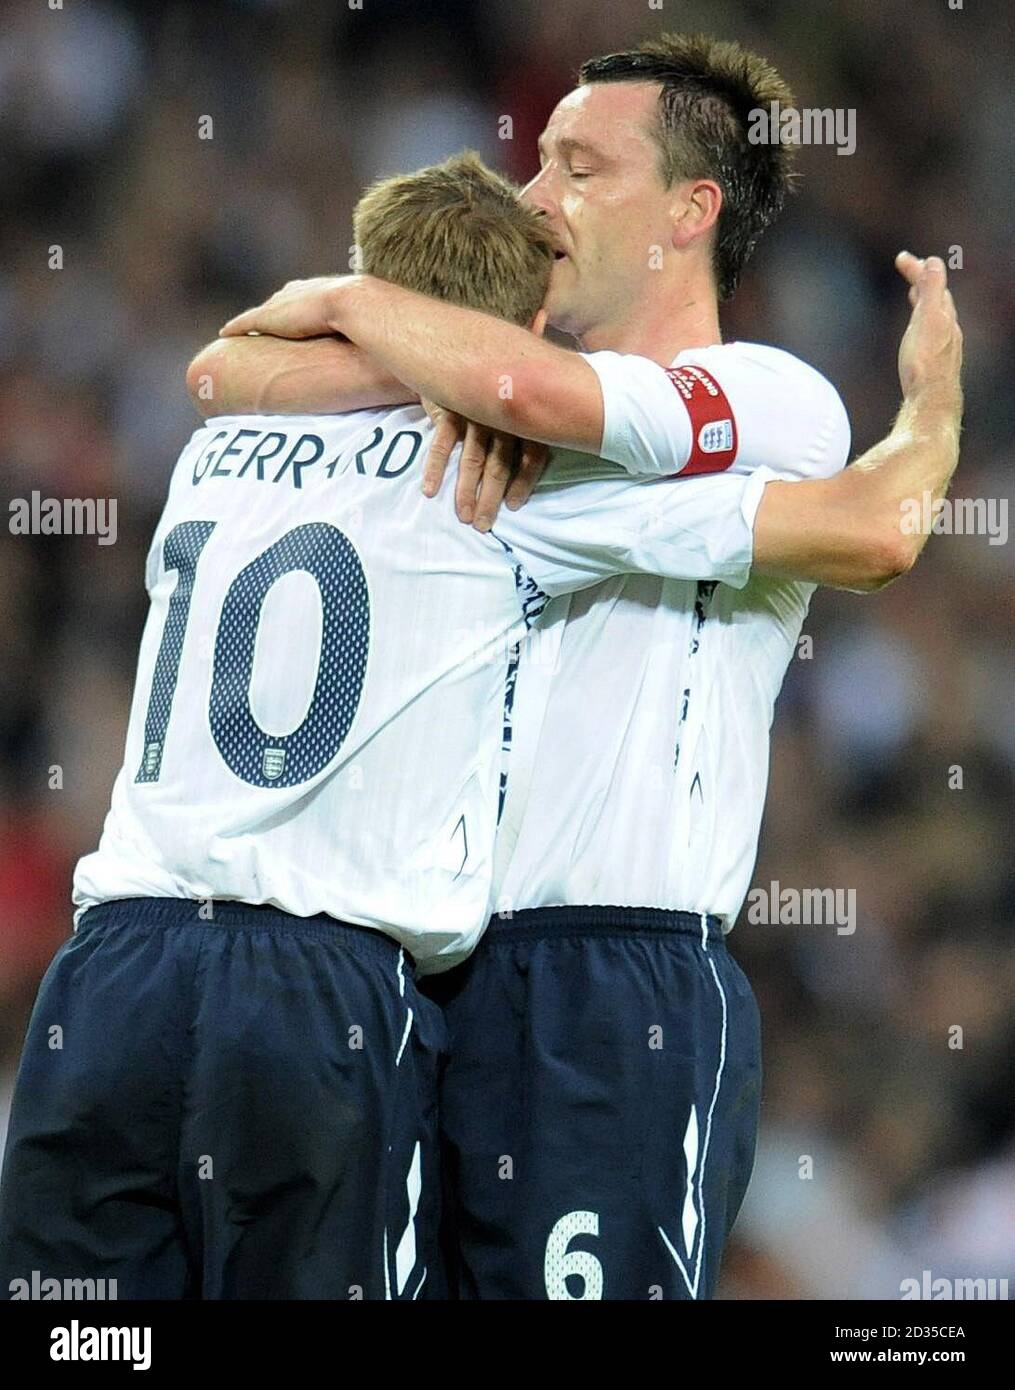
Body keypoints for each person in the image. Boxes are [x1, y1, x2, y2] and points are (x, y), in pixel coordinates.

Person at [0, 152, 859, 1303]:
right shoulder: (509, 474)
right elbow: (857, 534)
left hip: (112, 968)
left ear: (367, 279)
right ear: (518, 327)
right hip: (323, 986)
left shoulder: (210, 452)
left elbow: (220, 369)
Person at [203, 33, 964, 1299]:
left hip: (618, 989)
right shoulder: (476, 406)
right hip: (420, 973)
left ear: (689, 210)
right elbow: (225, 377)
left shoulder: (765, 398)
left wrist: (929, 412)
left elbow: (875, 531)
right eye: (536, 162)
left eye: (580, 167)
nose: (534, 198)